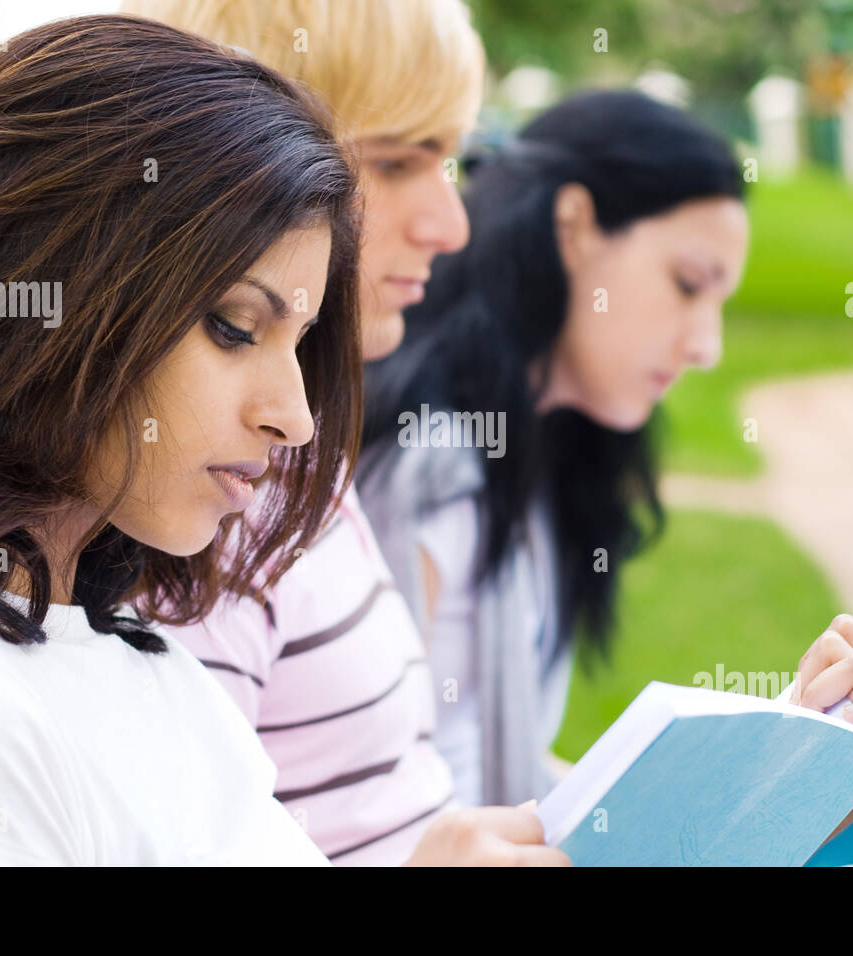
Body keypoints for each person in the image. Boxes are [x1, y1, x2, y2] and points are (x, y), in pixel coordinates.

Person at [0, 14, 556, 866]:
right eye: (235, 328)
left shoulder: (127, 655)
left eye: (300, 345)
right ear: (51, 296)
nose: (296, 417)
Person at [358, 90, 853, 827]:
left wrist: (785, 771)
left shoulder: (542, 463)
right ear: (572, 226)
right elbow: (383, 821)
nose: (706, 345)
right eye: (688, 285)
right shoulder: (419, 478)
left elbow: (523, 794)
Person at [125, 0, 565, 866]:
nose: (452, 225)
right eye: (397, 161)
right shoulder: (193, 495)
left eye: (452, 160)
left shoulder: (293, 458)